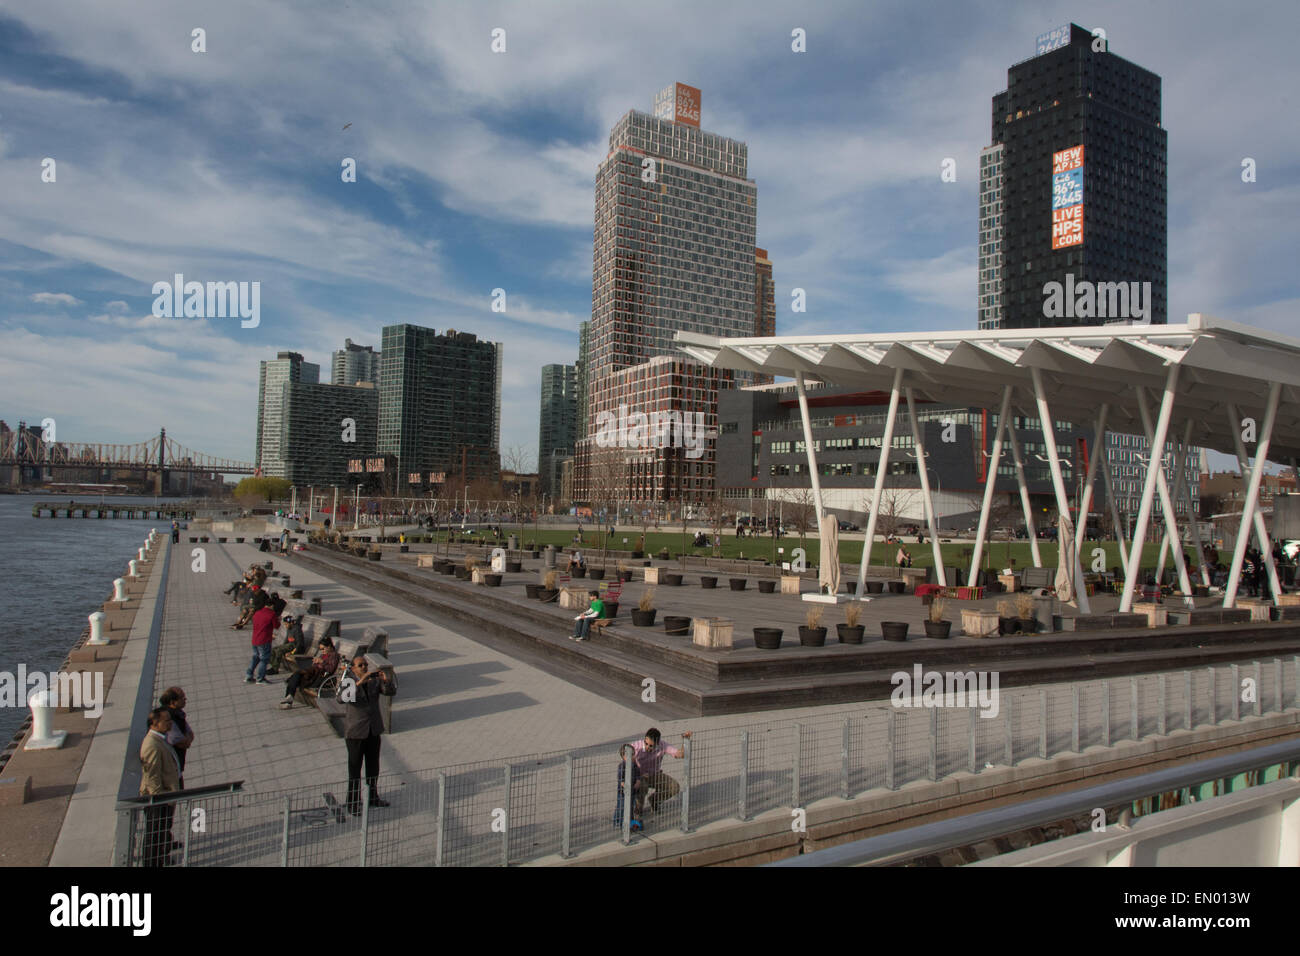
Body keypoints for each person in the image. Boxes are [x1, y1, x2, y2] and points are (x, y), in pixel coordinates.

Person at [343, 656, 396, 814]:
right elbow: (343, 698)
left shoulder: (374, 681)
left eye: (366, 665)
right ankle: (352, 802)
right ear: (353, 668)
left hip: (373, 730)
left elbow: (390, 692)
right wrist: (360, 682)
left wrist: (386, 681)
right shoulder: (349, 681)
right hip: (356, 732)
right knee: (354, 769)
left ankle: (373, 797)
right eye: (361, 665)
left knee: (373, 767)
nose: (365, 667)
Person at [139, 707, 181, 866]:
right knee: (154, 835)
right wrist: (162, 798)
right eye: (166, 721)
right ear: (154, 723)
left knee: (161, 832)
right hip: (158, 800)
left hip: (165, 797)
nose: (170, 724)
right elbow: (152, 777)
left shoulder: (160, 739)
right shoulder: (152, 745)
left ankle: (160, 859)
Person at [631, 728, 691, 817]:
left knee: (674, 787)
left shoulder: (663, 745)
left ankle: (654, 800)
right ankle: (638, 811)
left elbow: (680, 754)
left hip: (655, 774)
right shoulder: (636, 746)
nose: (647, 747)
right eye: (646, 743)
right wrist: (637, 772)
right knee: (643, 787)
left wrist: (685, 740)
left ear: (657, 744)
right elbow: (624, 752)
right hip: (640, 776)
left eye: (651, 746)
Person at [280, 636, 339, 709]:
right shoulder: (323, 654)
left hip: (320, 677)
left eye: (323, 649)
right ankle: (289, 698)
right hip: (313, 673)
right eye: (320, 649)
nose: (322, 651)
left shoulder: (334, 655)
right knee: (296, 676)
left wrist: (322, 662)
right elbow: (315, 665)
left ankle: (288, 699)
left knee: (296, 677)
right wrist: (315, 662)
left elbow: (330, 669)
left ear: (329, 646)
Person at [159, 687, 194, 787]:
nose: (185, 700)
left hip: (177, 765)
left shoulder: (179, 714)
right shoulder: (168, 717)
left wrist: (186, 739)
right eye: (182, 698)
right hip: (170, 768)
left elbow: (190, 734)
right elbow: (180, 741)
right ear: (172, 702)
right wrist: (186, 740)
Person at [243, 591, 278, 684]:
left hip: (255, 639)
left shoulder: (257, 613)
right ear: (271, 606)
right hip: (264, 640)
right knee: (264, 659)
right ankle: (260, 678)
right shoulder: (271, 614)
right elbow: (276, 625)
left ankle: (248, 676)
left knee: (255, 657)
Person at [612, 743, 644, 831]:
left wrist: (638, 781)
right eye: (631, 755)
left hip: (633, 791)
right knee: (621, 807)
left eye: (634, 754)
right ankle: (617, 821)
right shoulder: (622, 766)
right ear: (624, 757)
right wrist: (625, 785)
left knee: (631, 807)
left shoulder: (635, 765)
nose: (633, 756)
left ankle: (629, 822)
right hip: (623, 792)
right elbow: (621, 779)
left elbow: (638, 774)